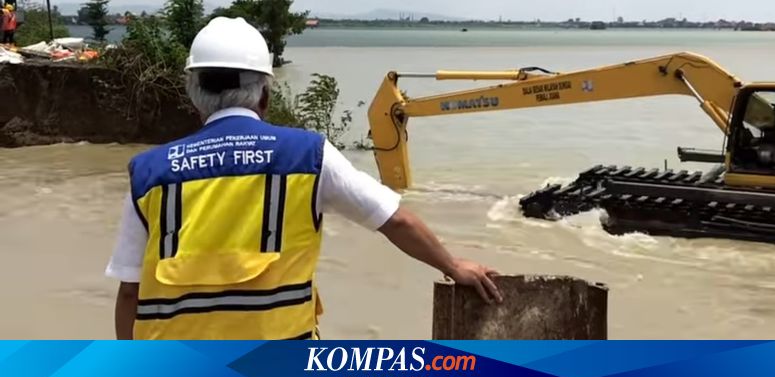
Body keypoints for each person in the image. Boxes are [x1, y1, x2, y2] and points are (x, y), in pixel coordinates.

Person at [105, 17, 503, 340]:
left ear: (193, 93)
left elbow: (129, 291)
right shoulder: (306, 155)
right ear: (265, 95)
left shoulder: (149, 171)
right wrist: (453, 266)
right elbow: (394, 219)